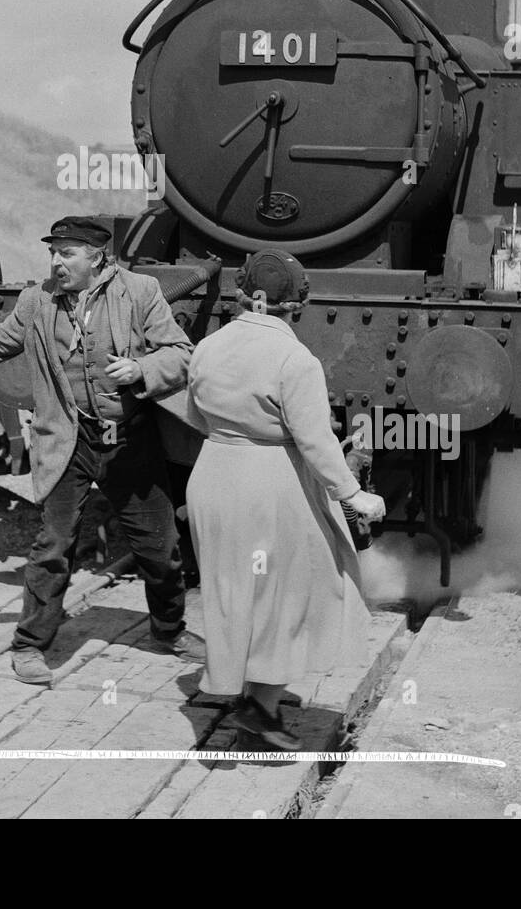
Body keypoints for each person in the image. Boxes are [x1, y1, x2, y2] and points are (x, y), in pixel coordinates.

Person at [0, 215, 200, 684]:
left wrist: (141, 369)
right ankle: (30, 646)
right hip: (68, 440)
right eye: (53, 252)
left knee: (160, 548)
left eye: (67, 253)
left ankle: (168, 630)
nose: (56, 262)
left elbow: (180, 352)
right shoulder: (36, 302)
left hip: (130, 441)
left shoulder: (139, 292)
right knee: (54, 545)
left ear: (97, 257)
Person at [182, 249, 386, 750]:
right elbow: (315, 440)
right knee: (292, 588)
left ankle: (238, 684)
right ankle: (261, 704)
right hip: (269, 483)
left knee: (230, 590)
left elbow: (195, 416)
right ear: (295, 305)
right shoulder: (297, 360)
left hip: (211, 474)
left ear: (243, 294)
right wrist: (355, 495)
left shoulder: (208, 345)